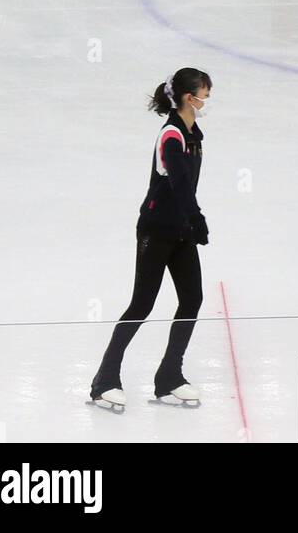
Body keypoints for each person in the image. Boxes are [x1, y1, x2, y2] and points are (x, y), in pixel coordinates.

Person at [90, 67, 212, 412]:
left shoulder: (193, 133)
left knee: (192, 299)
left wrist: (191, 222)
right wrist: (197, 217)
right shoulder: (171, 136)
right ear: (191, 98)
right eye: (206, 93)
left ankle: (169, 377)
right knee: (141, 305)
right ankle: (104, 381)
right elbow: (178, 183)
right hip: (157, 230)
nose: (208, 100)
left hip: (181, 230)